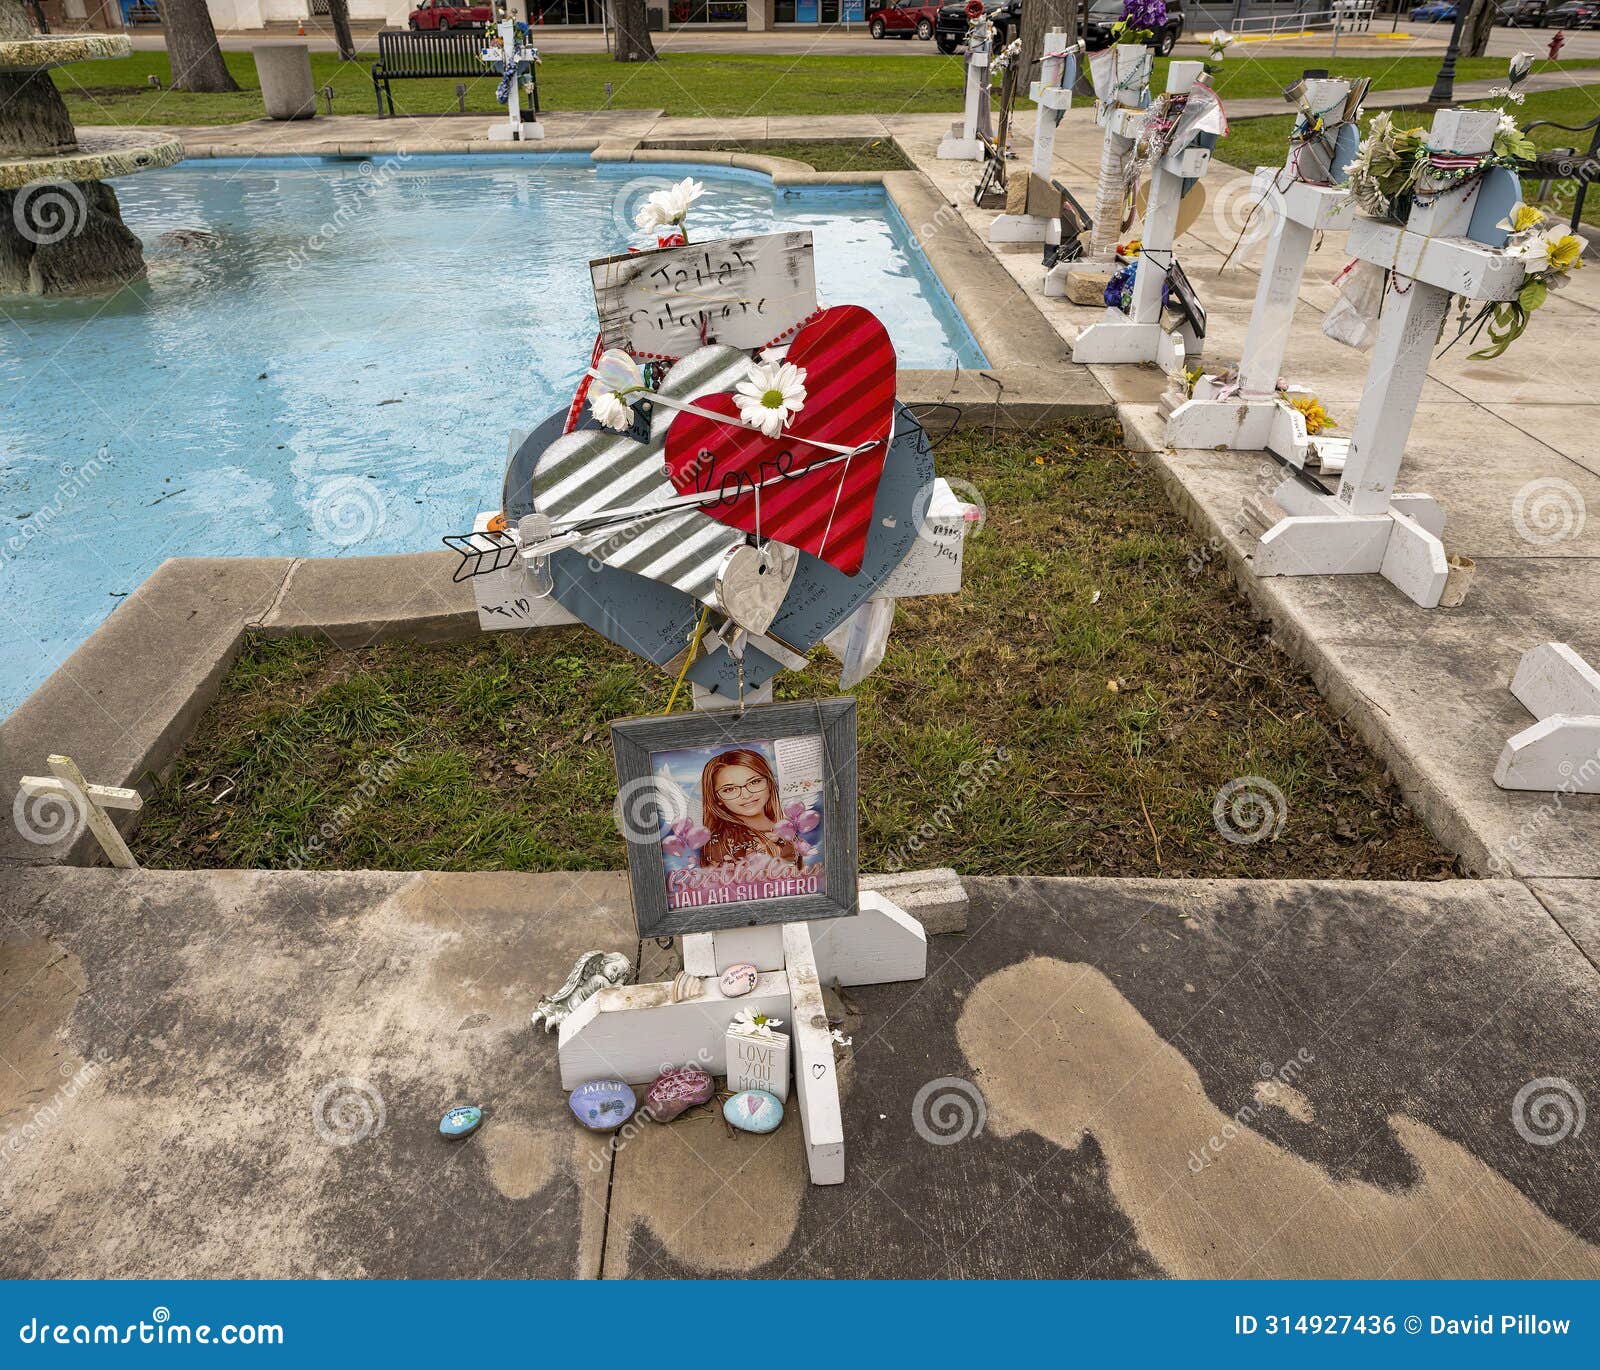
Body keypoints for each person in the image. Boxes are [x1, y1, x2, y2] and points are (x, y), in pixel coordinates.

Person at [698, 749, 798, 872]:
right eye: (729, 789)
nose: (746, 795)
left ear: (769, 783)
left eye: (754, 782)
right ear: (716, 798)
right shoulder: (721, 842)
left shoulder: (785, 828)